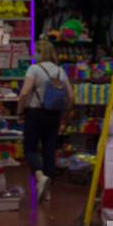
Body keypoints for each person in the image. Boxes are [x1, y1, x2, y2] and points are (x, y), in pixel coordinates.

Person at [16, 40, 72, 201]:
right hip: (54, 114)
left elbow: (25, 92)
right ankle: (47, 192)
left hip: (35, 113)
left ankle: (40, 177)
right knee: (49, 150)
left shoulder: (34, 69)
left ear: (39, 54)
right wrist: (65, 113)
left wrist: (20, 111)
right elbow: (71, 96)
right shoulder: (61, 71)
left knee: (29, 148)